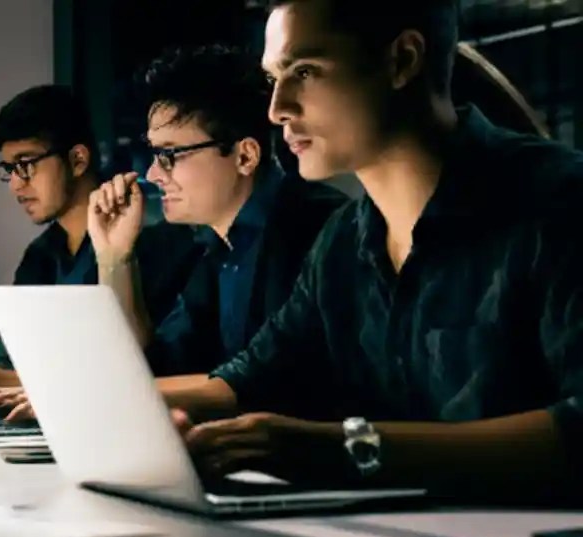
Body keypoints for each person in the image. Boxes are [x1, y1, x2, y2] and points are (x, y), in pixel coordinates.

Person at [156, 0, 583, 501]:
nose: (277, 109)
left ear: (402, 61)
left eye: (305, 71)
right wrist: (88, 399)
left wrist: (352, 448)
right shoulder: (341, 244)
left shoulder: (558, 202)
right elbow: (250, 379)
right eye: (275, 77)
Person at [0, 46, 348, 421]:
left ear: (245, 156)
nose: (152, 174)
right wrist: (115, 257)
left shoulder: (313, 229)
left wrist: (77, 395)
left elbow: (266, 384)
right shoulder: (217, 245)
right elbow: (152, 363)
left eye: (169, 155)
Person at [0, 84, 202, 407]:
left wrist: (4, 380)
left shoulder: (151, 241)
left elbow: (137, 365)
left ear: (78, 160)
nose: (16, 184)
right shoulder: (41, 254)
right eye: (9, 169)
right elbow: (11, 355)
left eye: (26, 164)